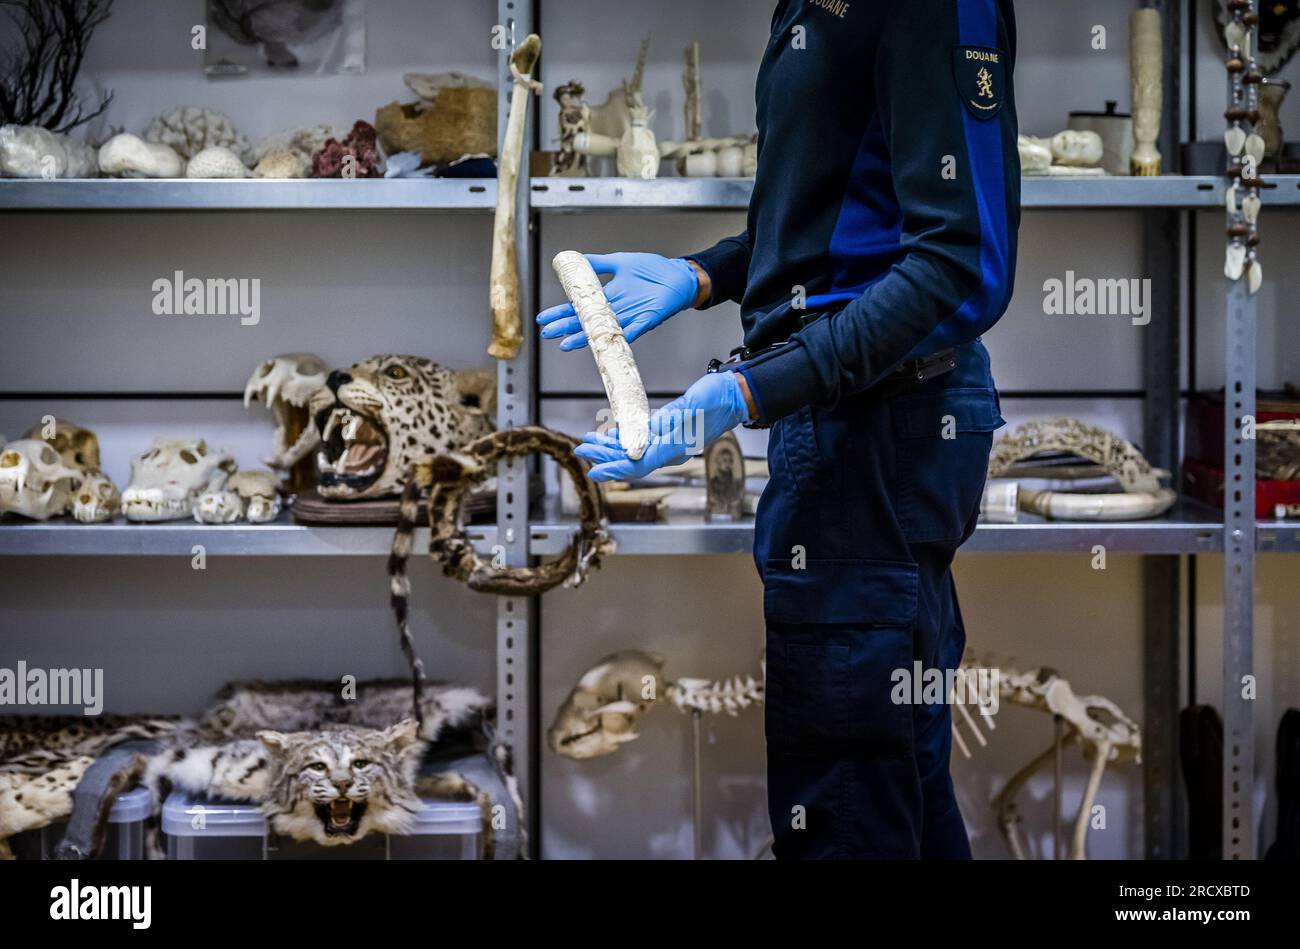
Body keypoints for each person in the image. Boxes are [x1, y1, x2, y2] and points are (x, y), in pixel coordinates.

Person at [537, 0, 1020, 859]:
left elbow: (960, 266)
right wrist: (700, 275)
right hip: (838, 423)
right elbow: (828, 210)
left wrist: (749, 391)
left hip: (878, 433)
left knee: (846, 792)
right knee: (895, 769)